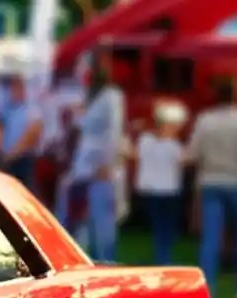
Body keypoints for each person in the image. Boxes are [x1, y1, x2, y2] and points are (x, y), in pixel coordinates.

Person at [190, 78, 237, 298]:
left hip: (211, 181)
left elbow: (193, 153)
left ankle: (207, 286)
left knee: (210, 237)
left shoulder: (205, 120)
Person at [64, 56, 125, 262]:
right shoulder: (88, 96)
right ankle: (82, 260)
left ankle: (106, 262)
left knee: (102, 219)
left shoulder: (111, 96)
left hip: (101, 165)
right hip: (82, 165)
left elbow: (114, 130)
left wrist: (108, 162)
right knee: (80, 215)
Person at [133, 102, 188, 265]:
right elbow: (183, 162)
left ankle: (162, 257)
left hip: (151, 191)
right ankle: (164, 258)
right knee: (166, 227)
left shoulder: (146, 140)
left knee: (161, 227)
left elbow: (137, 155)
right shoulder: (174, 146)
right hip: (168, 191)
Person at [0, 73, 43, 189]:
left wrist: (12, 154)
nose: (13, 90)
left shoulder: (31, 109)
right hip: (7, 158)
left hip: (23, 159)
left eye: (17, 87)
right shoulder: (8, 108)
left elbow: (33, 133)